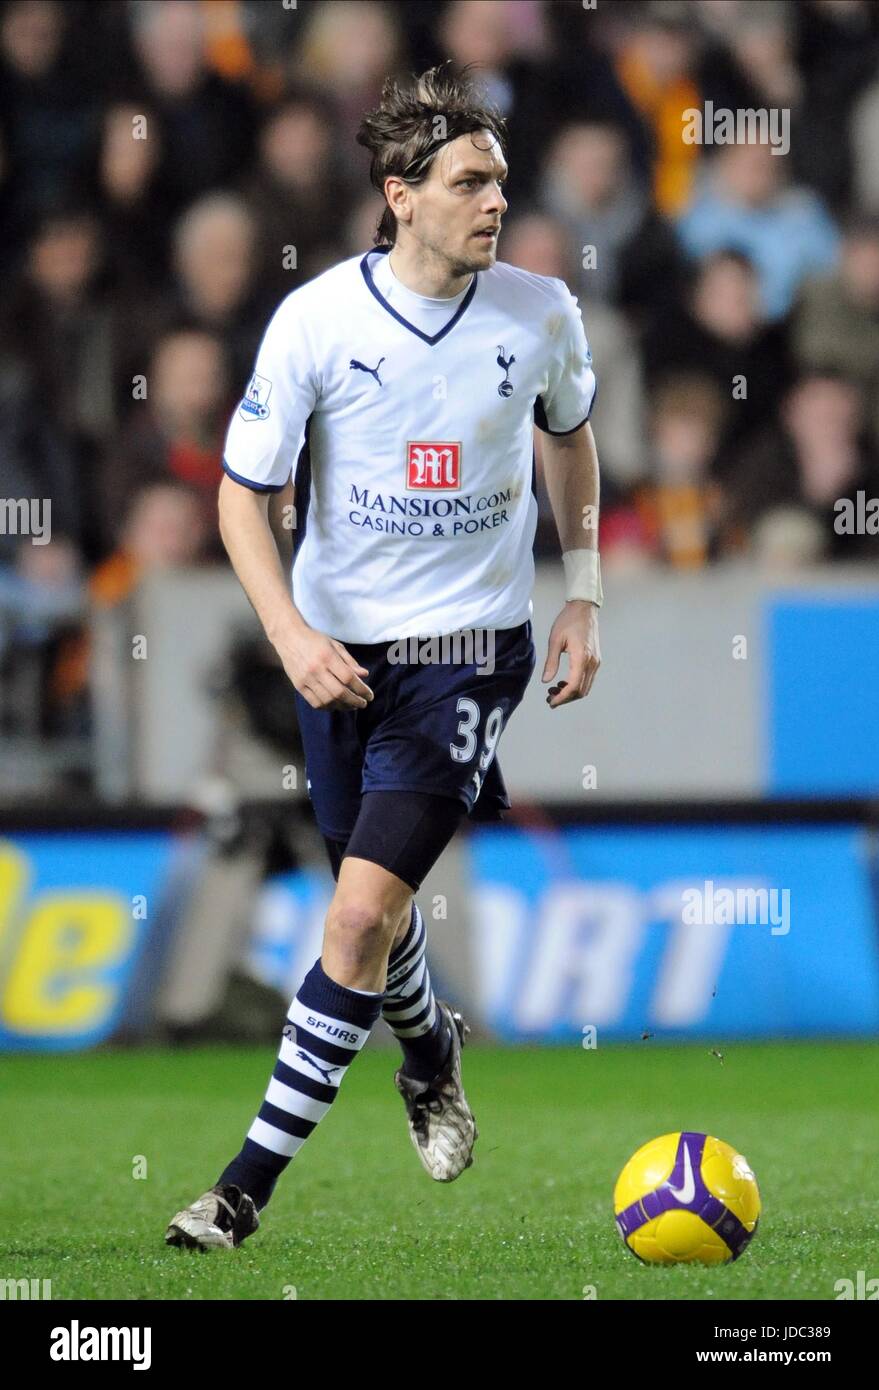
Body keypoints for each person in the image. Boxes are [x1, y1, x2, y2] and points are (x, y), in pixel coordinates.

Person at [165, 65, 603, 1251]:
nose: (494, 202)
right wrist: (293, 637)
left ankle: (238, 1190)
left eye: (501, 182)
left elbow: (571, 439)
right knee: (375, 907)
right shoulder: (316, 321)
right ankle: (428, 1048)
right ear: (400, 194)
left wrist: (584, 595)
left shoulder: (540, 311)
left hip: (467, 656)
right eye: (469, 182)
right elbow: (240, 501)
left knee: (352, 920)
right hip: (336, 661)